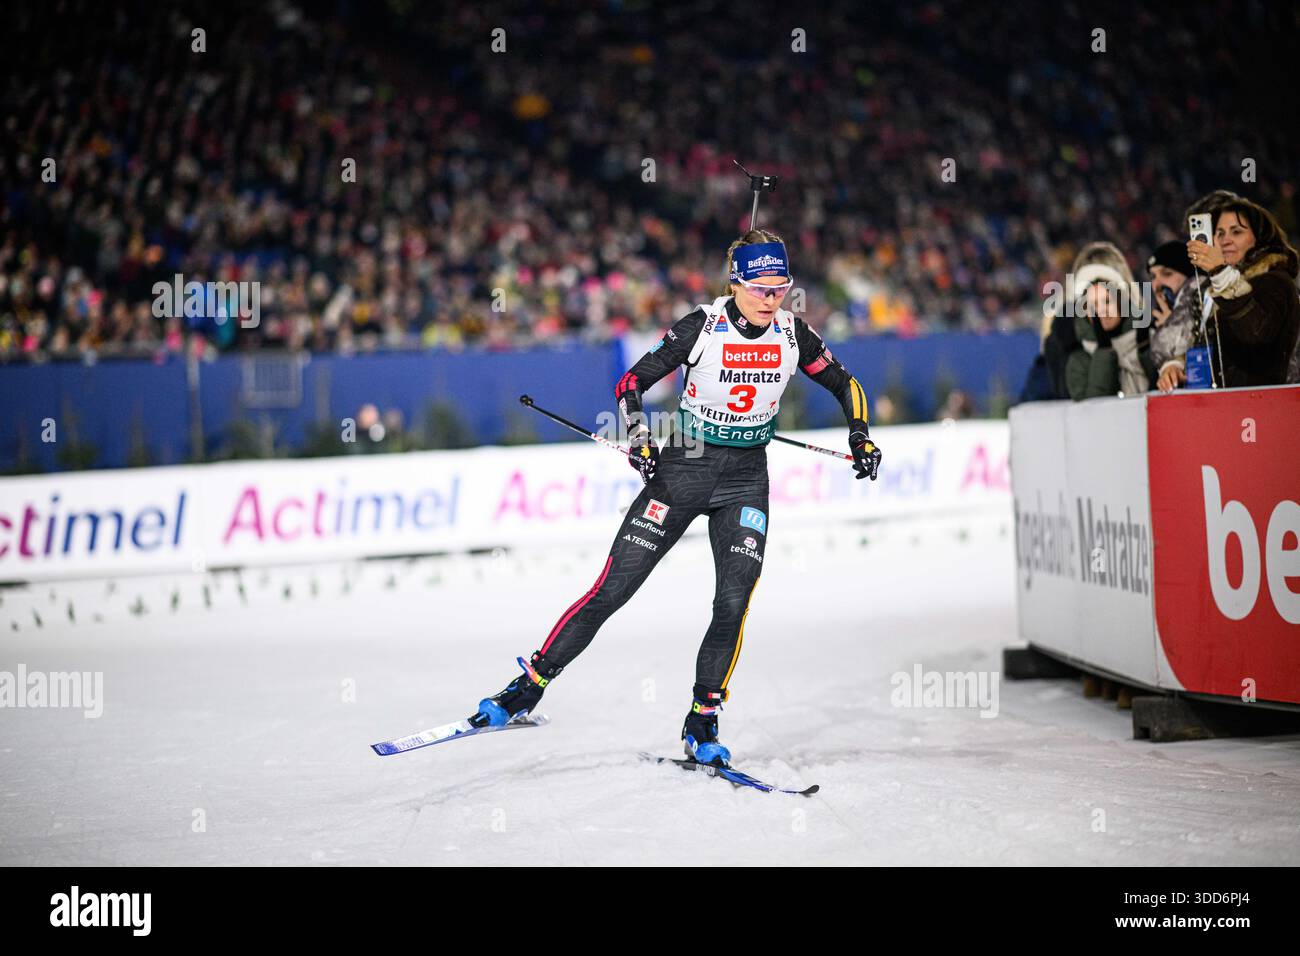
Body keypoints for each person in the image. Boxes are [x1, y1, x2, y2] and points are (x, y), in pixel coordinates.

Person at [469, 229, 882, 766]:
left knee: (733, 601)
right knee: (614, 589)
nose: (771, 298)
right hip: (684, 465)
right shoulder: (701, 328)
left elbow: (845, 383)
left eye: (781, 287)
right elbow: (630, 384)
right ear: (735, 283)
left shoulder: (793, 333)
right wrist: (639, 439)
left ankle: (703, 717)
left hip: (745, 477)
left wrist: (860, 434)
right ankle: (529, 685)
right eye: (760, 287)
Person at [1186, 197, 1300, 387]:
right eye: (1220, 233)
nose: (1225, 240)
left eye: (1237, 232)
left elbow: (1256, 333)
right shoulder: (1216, 286)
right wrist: (1177, 365)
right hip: (1228, 406)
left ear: (1260, 238)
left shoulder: (1275, 282)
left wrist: (1220, 272)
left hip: (1262, 408)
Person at [1064, 242, 1154, 399]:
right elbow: (1092, 411)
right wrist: (1104, 352)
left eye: (1107, 301)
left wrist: (1146, 350)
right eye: (1094, 304)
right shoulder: (1079, 359)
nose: (1102, 311)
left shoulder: (1150, 339)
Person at [1146, 241, 1196, 392]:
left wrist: (1171, 327)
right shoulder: (1150, 325)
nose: (1156, 285)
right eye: (1152, 277)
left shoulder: (1208, 312)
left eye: (1167, 274)